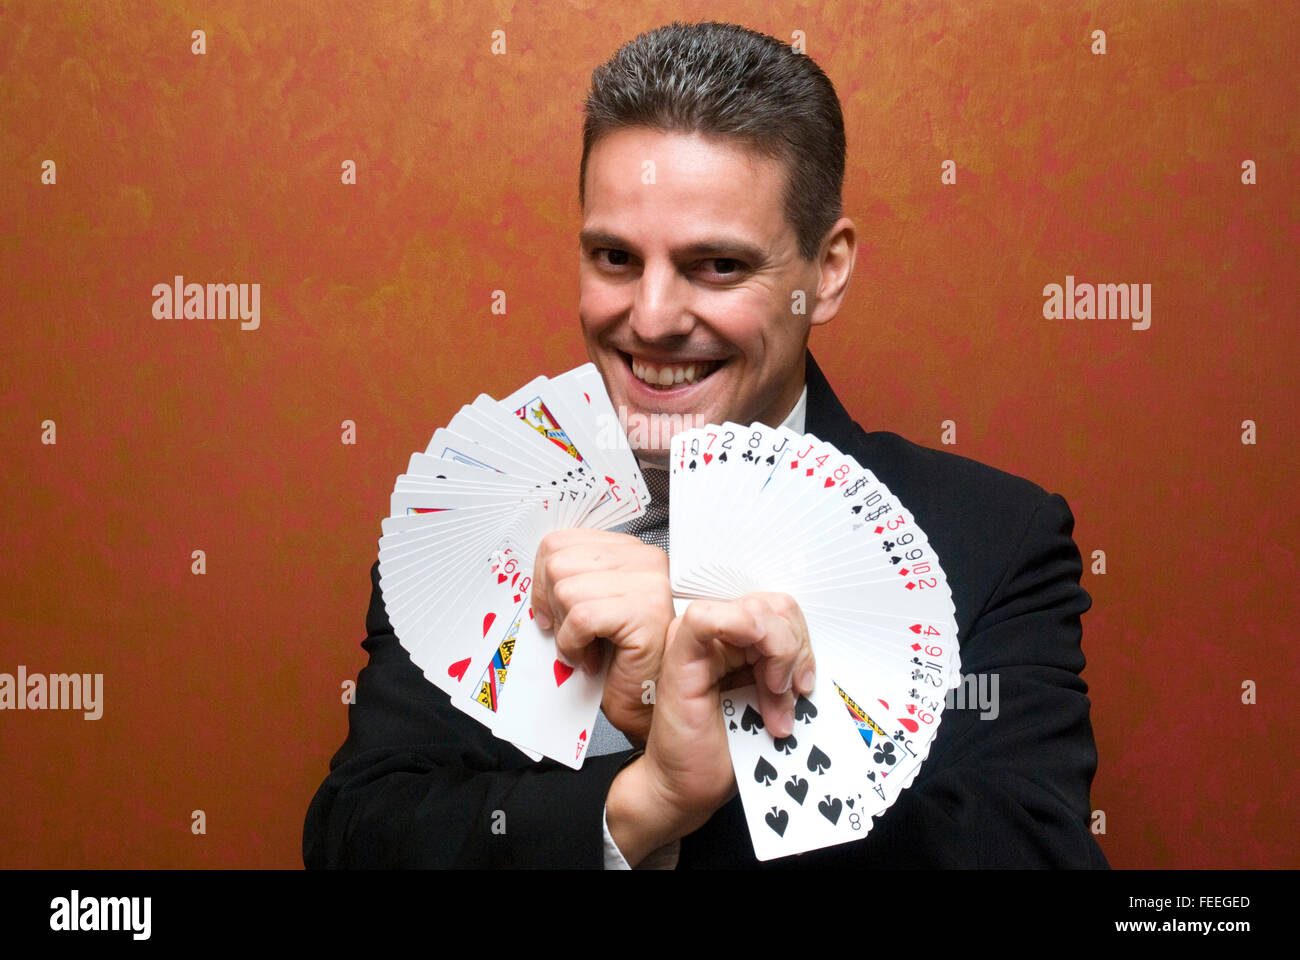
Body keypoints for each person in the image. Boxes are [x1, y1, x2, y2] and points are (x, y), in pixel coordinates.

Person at [303, 21, 1108, 869]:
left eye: (717, 266)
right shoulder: (471, 517)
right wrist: (641, 805)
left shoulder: (991, 541)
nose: (650, 319)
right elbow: (360, 838)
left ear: (826, 271)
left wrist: (732, 718)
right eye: (615, 256)